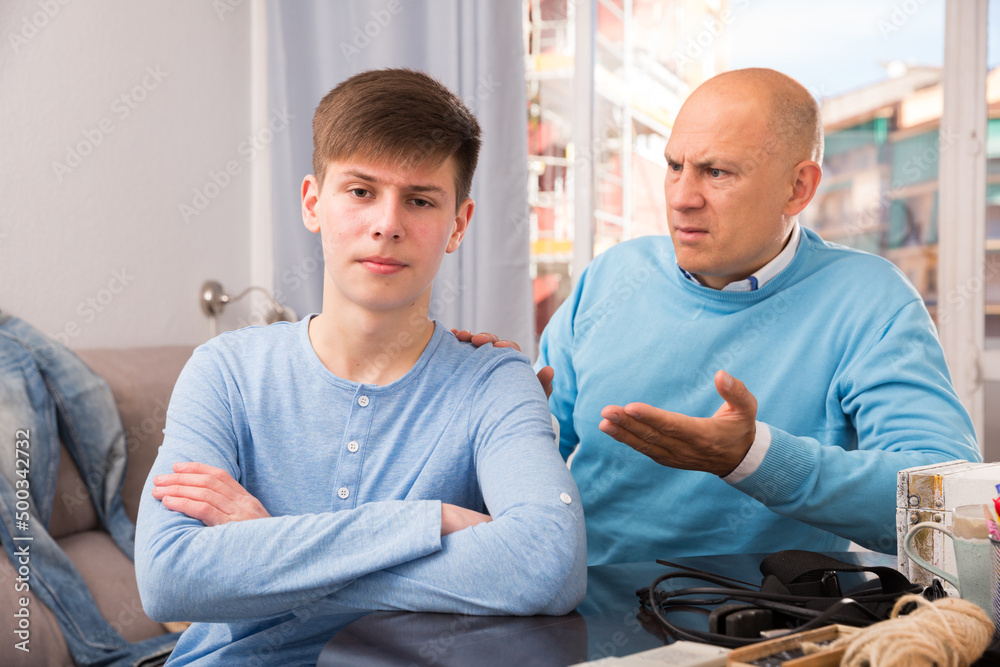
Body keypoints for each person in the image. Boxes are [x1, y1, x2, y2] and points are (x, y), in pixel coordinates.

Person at [135, 68, 586, 665]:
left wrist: (265, 545)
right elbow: (168, 578)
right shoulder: (224, 371)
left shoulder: (495, 379)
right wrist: (428, 523)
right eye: (360, 191)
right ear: (313, 203)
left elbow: (549, 566)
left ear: (458, 225)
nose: (387, 224)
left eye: (420, 200)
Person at [458, 67, 980, 565]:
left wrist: (753, 458)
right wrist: (492, 415)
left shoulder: (870, 299)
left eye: (716, 171)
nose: (682, 198)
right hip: (580, 613)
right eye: (673, 166)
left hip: (761, 629)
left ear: (798, 188)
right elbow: (538, 462)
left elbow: (945, 501)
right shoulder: (612, 275)